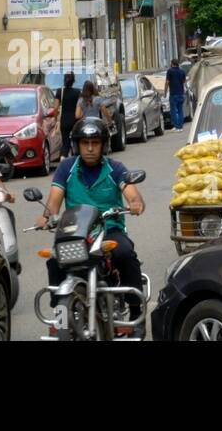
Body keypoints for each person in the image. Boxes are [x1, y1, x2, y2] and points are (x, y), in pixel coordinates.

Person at [36, 117, 146, 337]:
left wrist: (135, 203)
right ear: (77, 145)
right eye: (84, 143)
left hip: (108, 229)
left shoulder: (115, 168)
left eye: (95, 143)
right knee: (55, 260)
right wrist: (46, 216)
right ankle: (61, 316)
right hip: (76, 231)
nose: (89, 148)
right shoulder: (67, 167)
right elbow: (55, 199)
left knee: (125, 254)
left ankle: (135, 313)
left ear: (103, 144)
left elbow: (131, 193)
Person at [54, 71, 80, 158]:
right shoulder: (77, 92)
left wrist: (55, 119)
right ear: (74, 81)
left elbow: (55, 108)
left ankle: (63, 159)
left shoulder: (59, 92)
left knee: (65, 143)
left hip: (64, 121)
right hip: (75, 121)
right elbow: (80, 107)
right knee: (76, 141)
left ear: (64, 80)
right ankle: (76, 158)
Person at [164, 58, 187, 132]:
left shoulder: (170, 71)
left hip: (173, 94)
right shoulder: (182, 71)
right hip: (181, 93)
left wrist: (165, 92)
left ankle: (176, 126)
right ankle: (180, 126)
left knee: (173, 111)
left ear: (172, 64)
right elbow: (184, 82)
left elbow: (167, 82)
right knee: (180, 110)